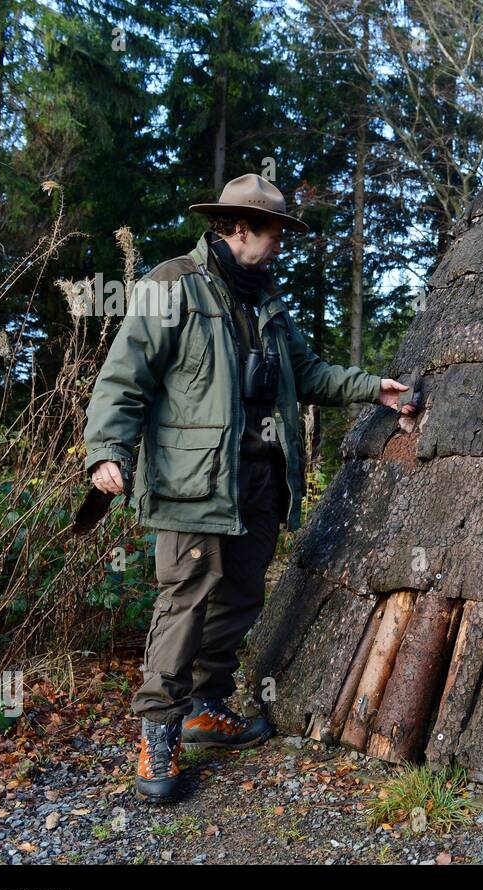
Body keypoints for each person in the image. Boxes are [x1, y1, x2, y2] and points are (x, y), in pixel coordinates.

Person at [83, 173, 416, 803]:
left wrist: (373, 387)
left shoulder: (266, 300)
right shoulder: (171, 286)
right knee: (184, 601)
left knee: (237, 598)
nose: (281, 245)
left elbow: (307, 371)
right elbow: (124, 376)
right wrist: (108, 451)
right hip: (192, 482)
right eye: (273, 232)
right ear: (238, 229)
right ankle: (158, 732)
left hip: (259, 480)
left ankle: (207, 708)